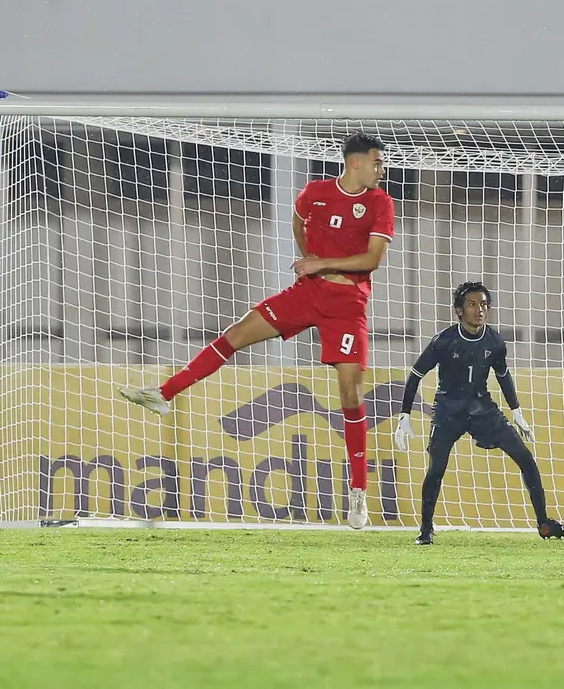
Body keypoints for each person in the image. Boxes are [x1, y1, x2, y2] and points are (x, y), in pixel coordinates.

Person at [120, 132, 395, 529]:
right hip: (307, 294)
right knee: (235, 334)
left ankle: (358, 492)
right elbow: (298, 221)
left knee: (350, 395)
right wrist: (309, 258)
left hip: (346, 306)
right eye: (377, 162)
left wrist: (320, 263)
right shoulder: (315, 193)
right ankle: (163, 394)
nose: (381, 169)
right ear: (356, 162)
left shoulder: (380, 202)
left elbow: (372, 259)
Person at [394, 281, 564, 545]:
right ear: (459, 310)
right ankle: (426, 529)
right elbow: (416, 375)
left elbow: (503, 376)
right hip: (448, 411)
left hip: (482, 410)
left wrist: (517, 411)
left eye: (484, 304)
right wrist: (404, 415)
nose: (480, 310)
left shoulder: (495, 341)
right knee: (436, 469)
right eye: (472, 304)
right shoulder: (444, 341)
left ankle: (544, 523)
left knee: (525, 458)